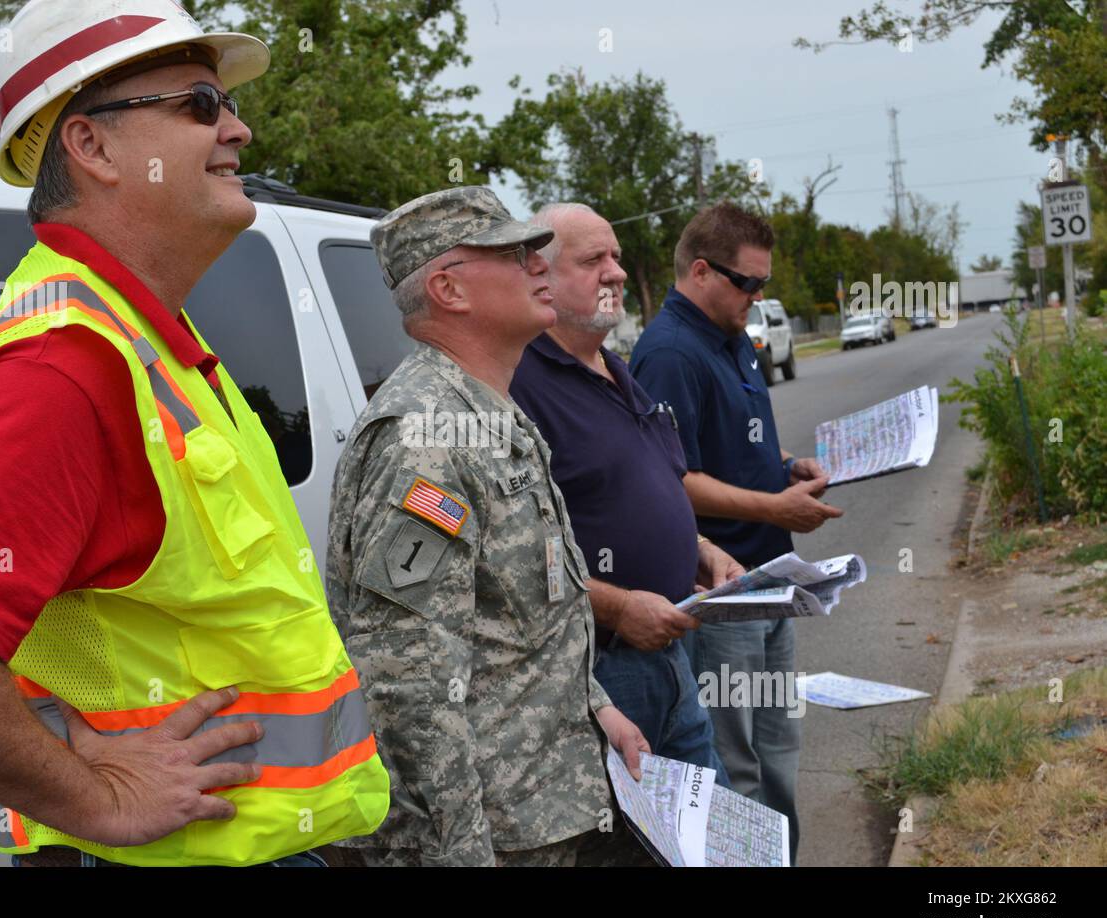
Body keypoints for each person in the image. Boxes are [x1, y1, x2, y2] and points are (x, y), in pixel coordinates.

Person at [0, 0, 388, 867]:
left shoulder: (145, 337)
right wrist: (93, 795)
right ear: (92, 147)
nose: (237, 128)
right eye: (201, 103)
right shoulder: (67, 359)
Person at [326, 186, 652, 867]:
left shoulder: (486, 412)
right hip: (495, 839)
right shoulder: (425, 436)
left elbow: (524, 619)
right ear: (449, 288)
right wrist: (459, 852)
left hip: (548, 812)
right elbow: (406, 677)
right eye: (514, 252)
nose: (540, 263)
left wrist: (598, 710)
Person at [630, 202, 844, 861]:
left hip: (770, 583)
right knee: (735, 761)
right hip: (721, 594)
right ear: (700, 271)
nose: (758, 296)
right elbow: (674, 480)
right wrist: (775, 509)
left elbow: (731, 454)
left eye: (763, 284)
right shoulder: (668, 353)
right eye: (748, 283)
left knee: (777, 749)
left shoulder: (734, 340)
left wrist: (786, 471)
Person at [509, 203, 743, 781]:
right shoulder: (520, 382)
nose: (615, 272)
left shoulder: (617, 367)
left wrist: (703, 551)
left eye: (616, 256)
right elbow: (513, 558)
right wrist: (618, 607)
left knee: (704, 825)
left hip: (671, 653)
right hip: (602, 669)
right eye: (593, 260)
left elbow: (650, 489)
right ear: (542, 276)